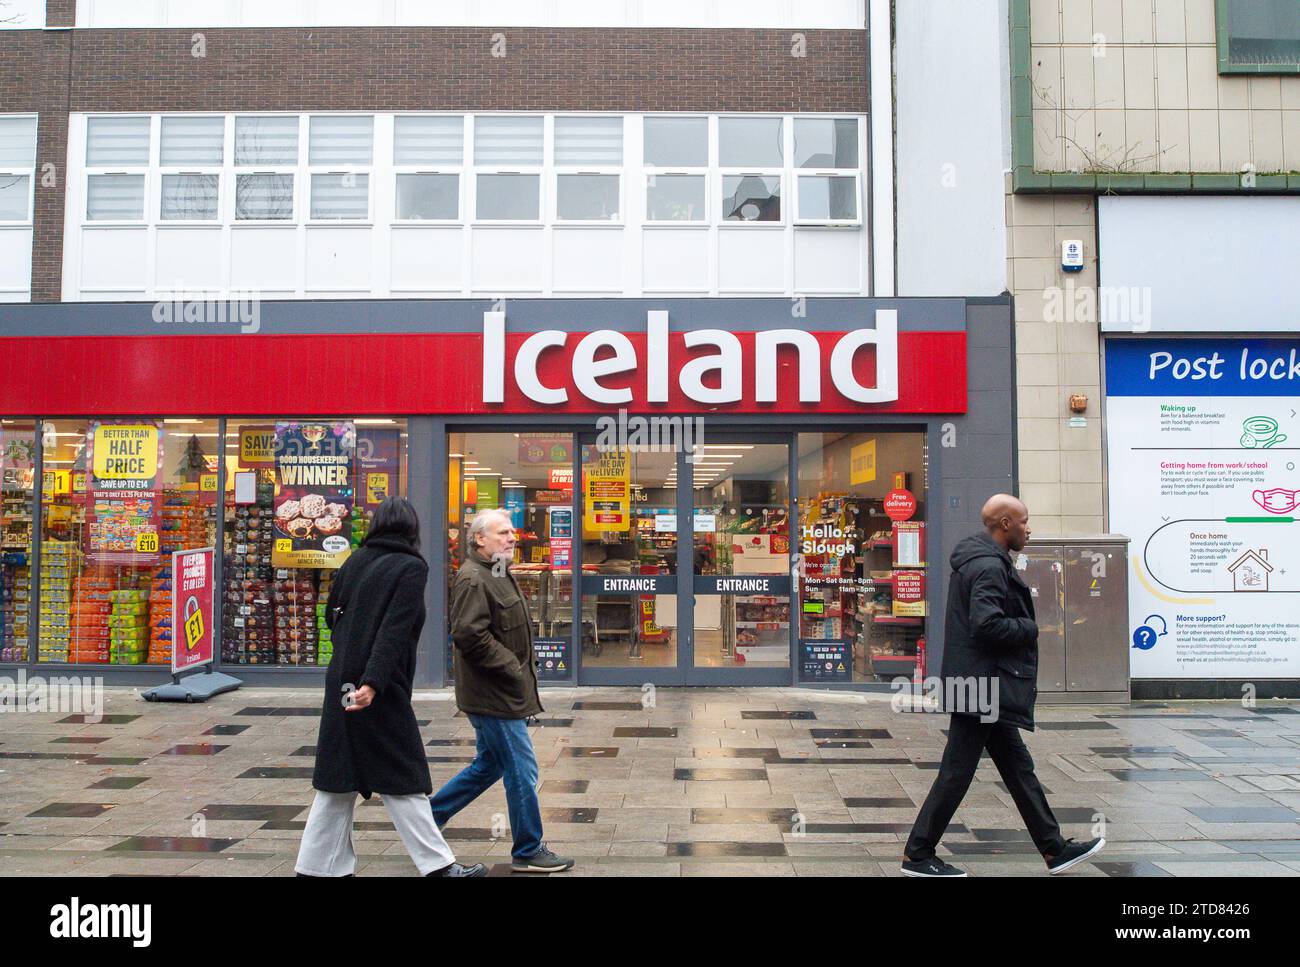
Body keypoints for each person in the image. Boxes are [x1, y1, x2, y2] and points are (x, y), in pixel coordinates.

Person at [901, 494, 1105, 877]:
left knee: (1016, 767)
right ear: (1005, 524)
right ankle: (918, 854)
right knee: (958, 771)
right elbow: (986, 623)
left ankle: (1054, 848)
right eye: (1025, 521)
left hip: (979, 683)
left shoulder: (980, 561)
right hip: (980, 685)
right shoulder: (989, 568)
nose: (1030, 528)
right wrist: (1029, 628)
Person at [296, 496, 485, 877]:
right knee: (403, 775)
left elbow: (332, 614)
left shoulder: (354, 561)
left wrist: (351, 662)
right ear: (411, 528)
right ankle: (439, 867)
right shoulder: (411, 567)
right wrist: (373, 682)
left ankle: (315, 868)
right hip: (378, 687)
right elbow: (394, 630)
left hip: (342, 677)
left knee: (338, 780)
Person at [430, 508, 574, 874]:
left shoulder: (497, 573)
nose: (511, 538)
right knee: (522, 770)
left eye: (512, 533)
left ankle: (428, 819)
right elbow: (468, 634)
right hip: (493, 695)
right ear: (480, 539)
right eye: (503, 533)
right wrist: (512, 666)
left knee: (489, 765)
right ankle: (527, 849)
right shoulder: (473, 579)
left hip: (501, 691)